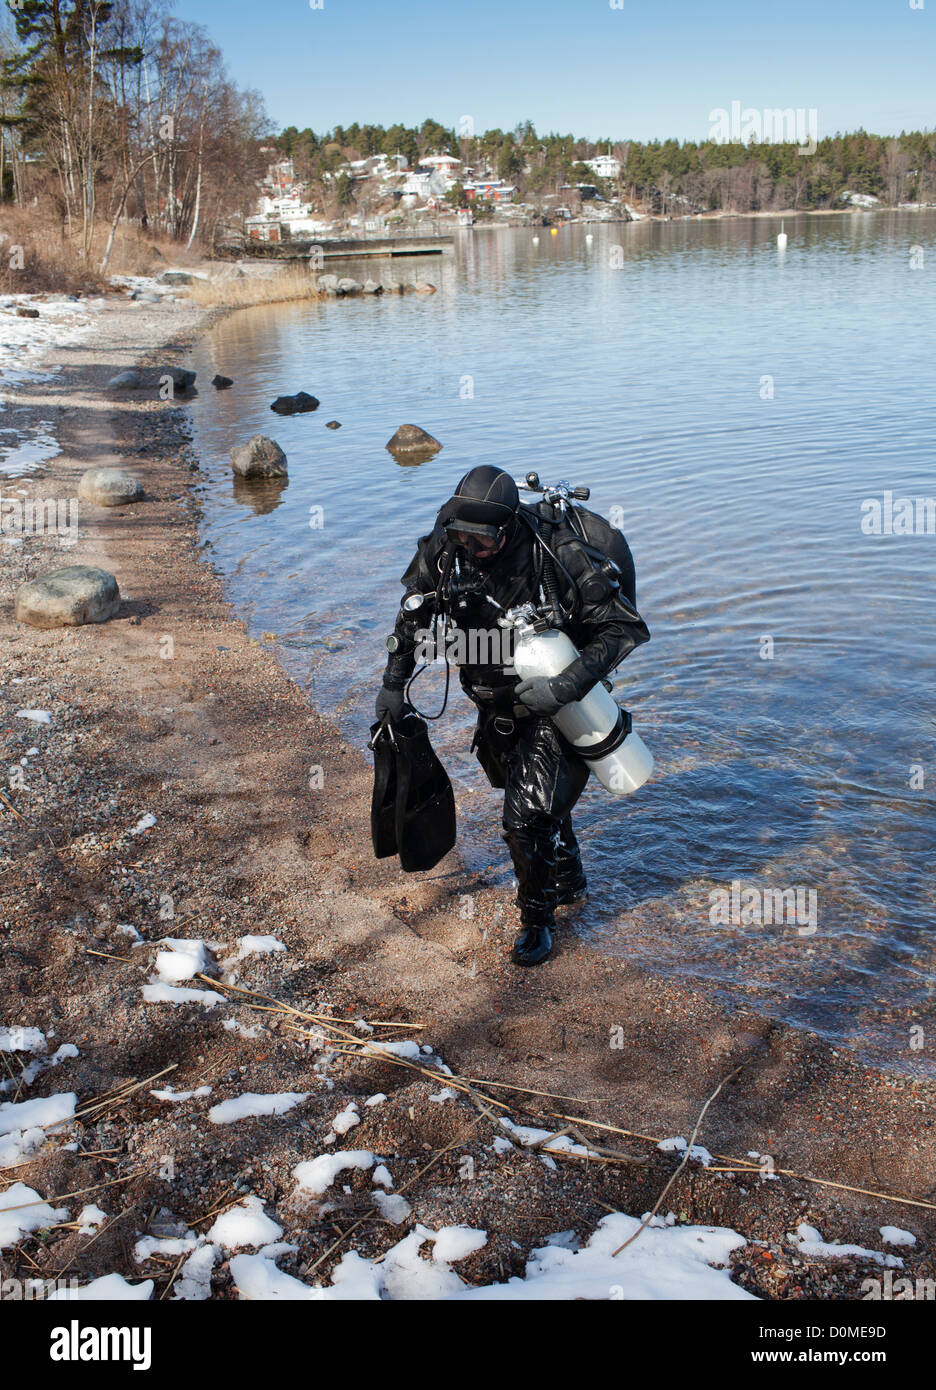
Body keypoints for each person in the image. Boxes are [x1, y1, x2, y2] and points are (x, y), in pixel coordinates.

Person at [376, 465, 650, 966]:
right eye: (461, 537)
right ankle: (567, 880)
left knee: (523, 820)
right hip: (492, 700)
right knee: (532, 801)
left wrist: (562, 689)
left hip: (555, 699)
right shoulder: (445, 547)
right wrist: (392, 686)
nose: (470, 551)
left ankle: (538, 919)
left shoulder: (557, 553)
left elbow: (624, 630)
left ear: (507, 530)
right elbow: (412, 612)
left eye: (482, 542)